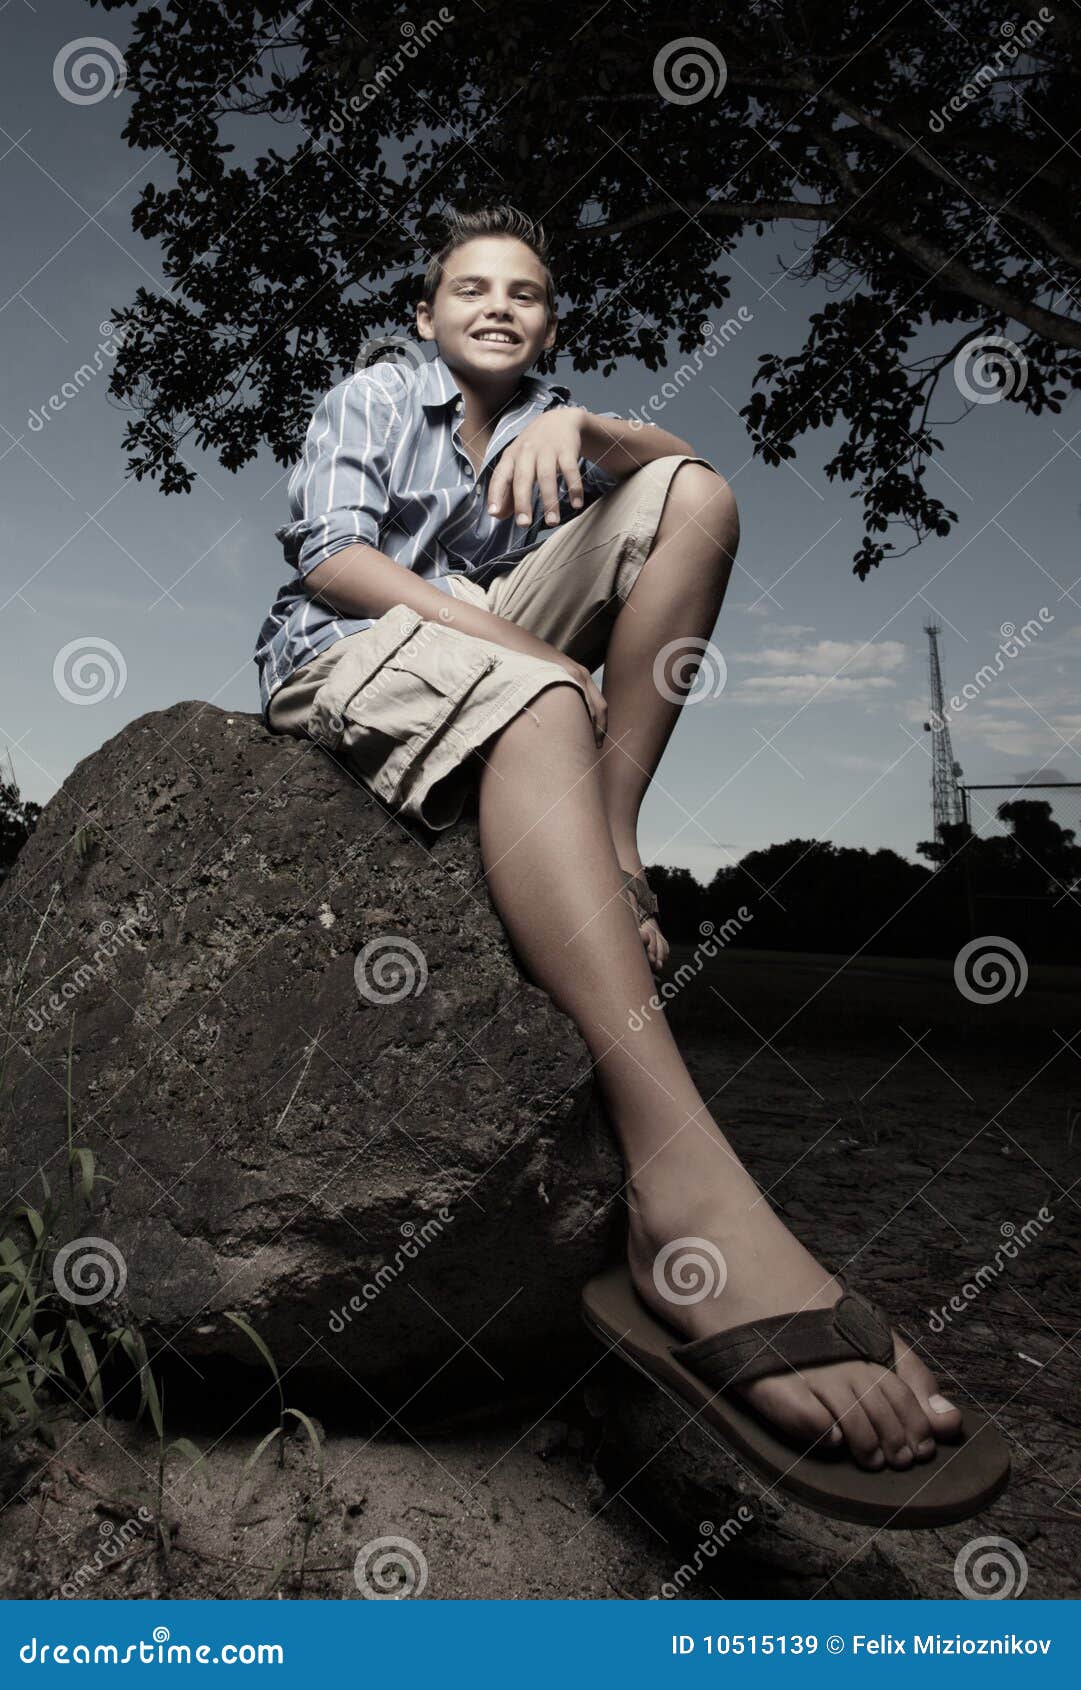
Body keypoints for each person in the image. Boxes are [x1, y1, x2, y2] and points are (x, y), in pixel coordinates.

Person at [254, 203, 970, 1503]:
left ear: (546, 320)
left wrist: (588, 430)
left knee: (695, 493)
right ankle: (678, 1190)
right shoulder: (374, 396)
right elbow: (336, 563)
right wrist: (527, 656)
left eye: (525, 291)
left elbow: (676, 479)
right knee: (540, 693)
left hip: (494, 638)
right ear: (425, 316)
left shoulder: (549, 424)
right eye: (469, 286)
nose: (497, 305)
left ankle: (612, 831)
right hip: (353, 654)